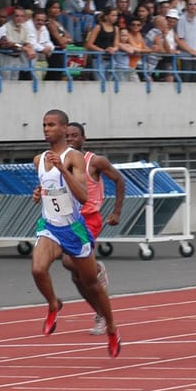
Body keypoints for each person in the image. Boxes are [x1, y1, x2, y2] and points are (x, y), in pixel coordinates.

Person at [31, 109, 120, 357]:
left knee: (91, 283)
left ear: (63, 128)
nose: (46, 129)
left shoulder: (74, 158)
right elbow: (46, 188)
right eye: (44, 125)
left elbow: (82, 196)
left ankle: (111, 326)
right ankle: (53, 303)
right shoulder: (39, 160)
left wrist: (63, 170)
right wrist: (37, 194)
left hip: (75, 227)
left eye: (51, 125)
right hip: (49, 224)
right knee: (38, 269)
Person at [63, 122, 125, 336]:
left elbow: (119, 180)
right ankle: (100, 313)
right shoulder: (59, 162)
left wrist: (116, 212)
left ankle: (97, 268)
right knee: (76, 275)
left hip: (88, 219)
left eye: (74, 136)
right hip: (67, 219)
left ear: (83, 139)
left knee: (69, 261)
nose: (70, 139)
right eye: (67, 136)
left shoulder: (94, 161)